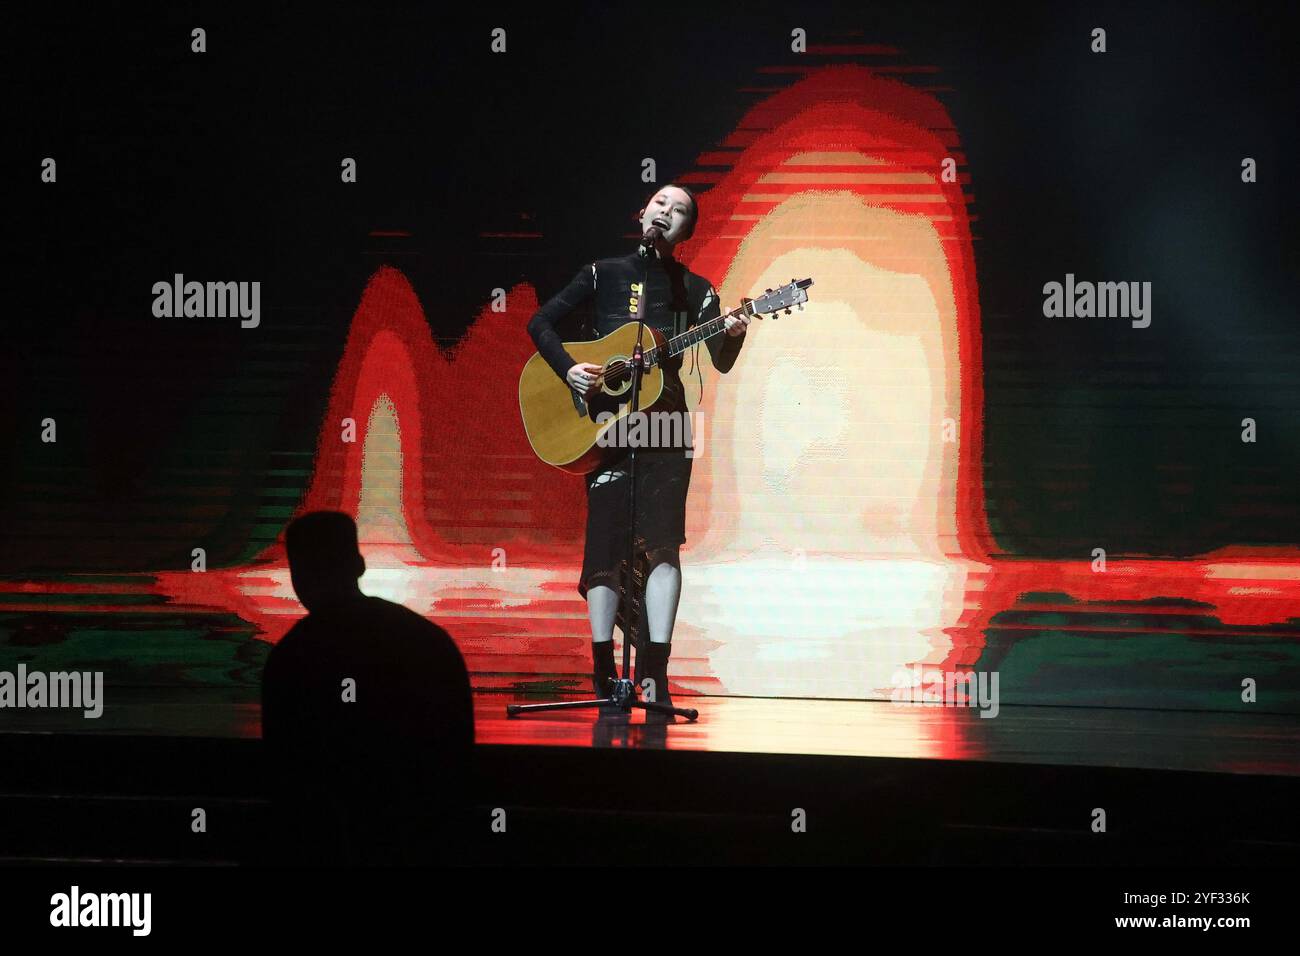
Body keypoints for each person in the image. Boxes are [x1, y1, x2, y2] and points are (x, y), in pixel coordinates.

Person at [526, 184, 749, 715]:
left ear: (687, 231)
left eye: (680, 210)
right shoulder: (601, 273)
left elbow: (720, 359)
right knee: (603, 547)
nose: (667, 212)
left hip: (665, 426)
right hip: (608, 423)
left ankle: (655, 672)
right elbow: (540, 323)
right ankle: (604, 667)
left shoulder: (695, 289)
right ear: (643, 212)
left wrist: (735, 330)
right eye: (661, 203)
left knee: (664, 544)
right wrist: (570, 370)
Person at [261, 511, 474, 864]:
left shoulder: (291, 656)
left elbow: (286, 776)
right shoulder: (426, 641)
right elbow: (457, 758)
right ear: (358, 565)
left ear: (297, 576)